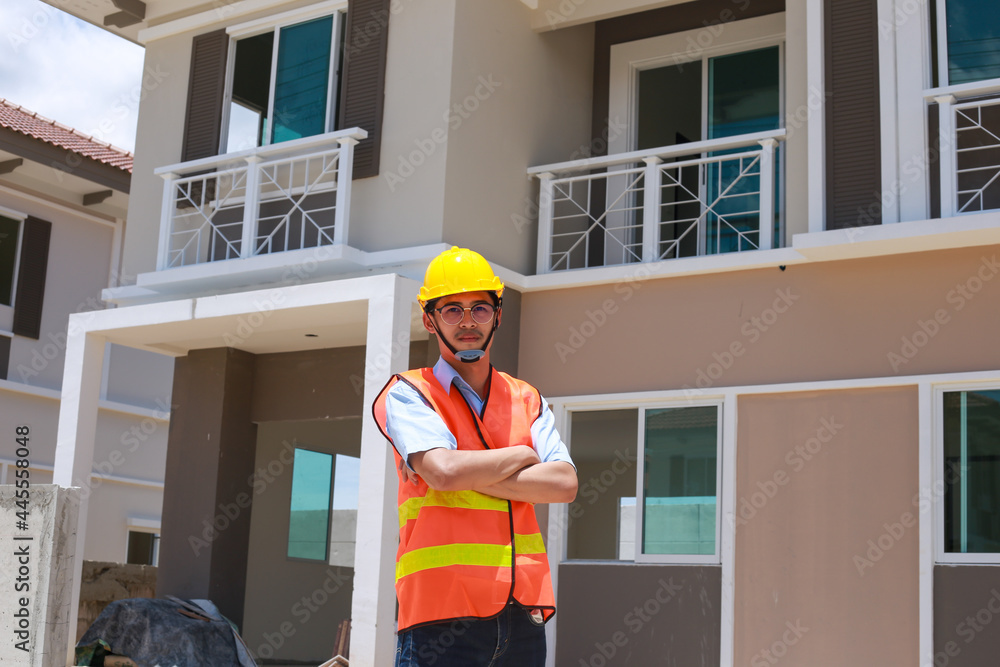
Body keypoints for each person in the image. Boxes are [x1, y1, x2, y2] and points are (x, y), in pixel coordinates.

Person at [373, 247, 578, 666]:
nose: (468, 321)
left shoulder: (527, 398)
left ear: (498, 315)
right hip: (439, 616)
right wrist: (523, 455)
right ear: (429, 320)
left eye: (480, 308)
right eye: (452, 309)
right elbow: (444, 472)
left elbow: (563, 484)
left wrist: (464, 469)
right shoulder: (409, 393)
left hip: (522, 615)